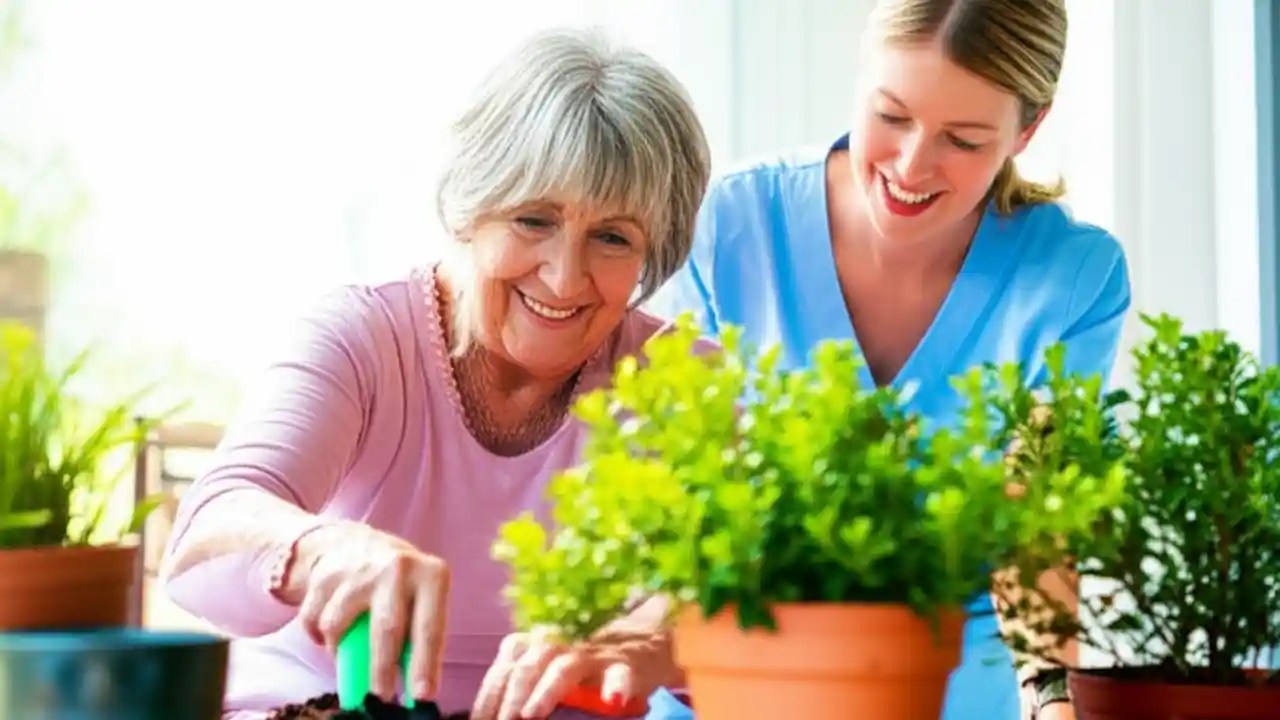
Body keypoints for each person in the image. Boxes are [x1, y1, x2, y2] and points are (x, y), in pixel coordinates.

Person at [160, 27, 712, 720]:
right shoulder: (362, 341)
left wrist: (647, 640)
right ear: (472, 208)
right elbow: (207, 531)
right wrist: (325, 548)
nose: (565, 276)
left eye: (612, 237)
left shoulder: (679, 382)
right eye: (533, 219)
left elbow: (753, 597)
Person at [645, 1, 1130, 719]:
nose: (910, 165)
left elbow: (1037, 525)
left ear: (1028, 129)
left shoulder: (1071, 277)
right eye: (892, 116)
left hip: (951, 689)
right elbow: (679, 497)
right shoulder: (734, 226)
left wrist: (1053, 703)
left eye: (962, 141)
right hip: (743, 676)